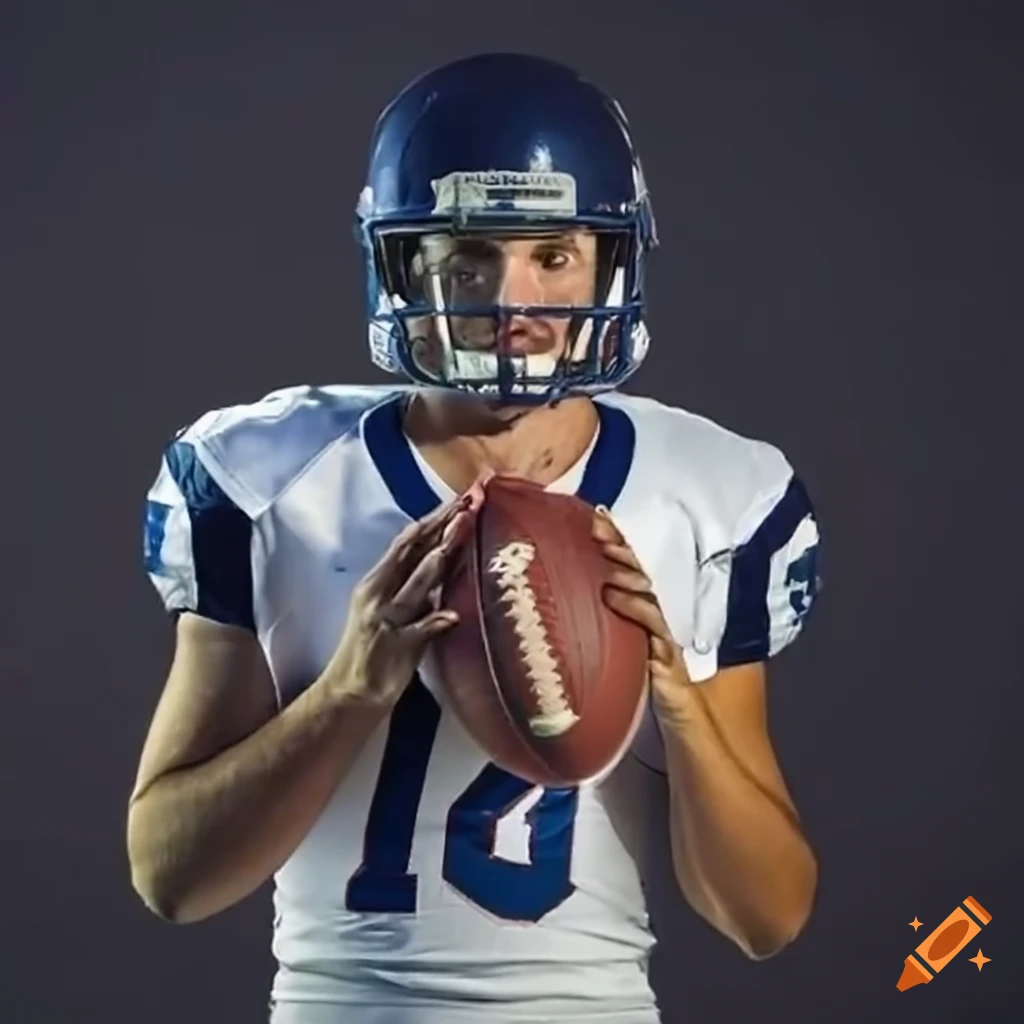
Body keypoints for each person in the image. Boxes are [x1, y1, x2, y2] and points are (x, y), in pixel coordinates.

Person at [128, 52, 822, 1024]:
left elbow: (766, 915)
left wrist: (675, 696)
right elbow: (171, 874)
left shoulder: (710, 492)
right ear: (402, 266)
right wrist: (349, 689)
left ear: (610, 260)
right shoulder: (267, 477)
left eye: (551, 254)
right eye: (469, 260)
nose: (515, 306)